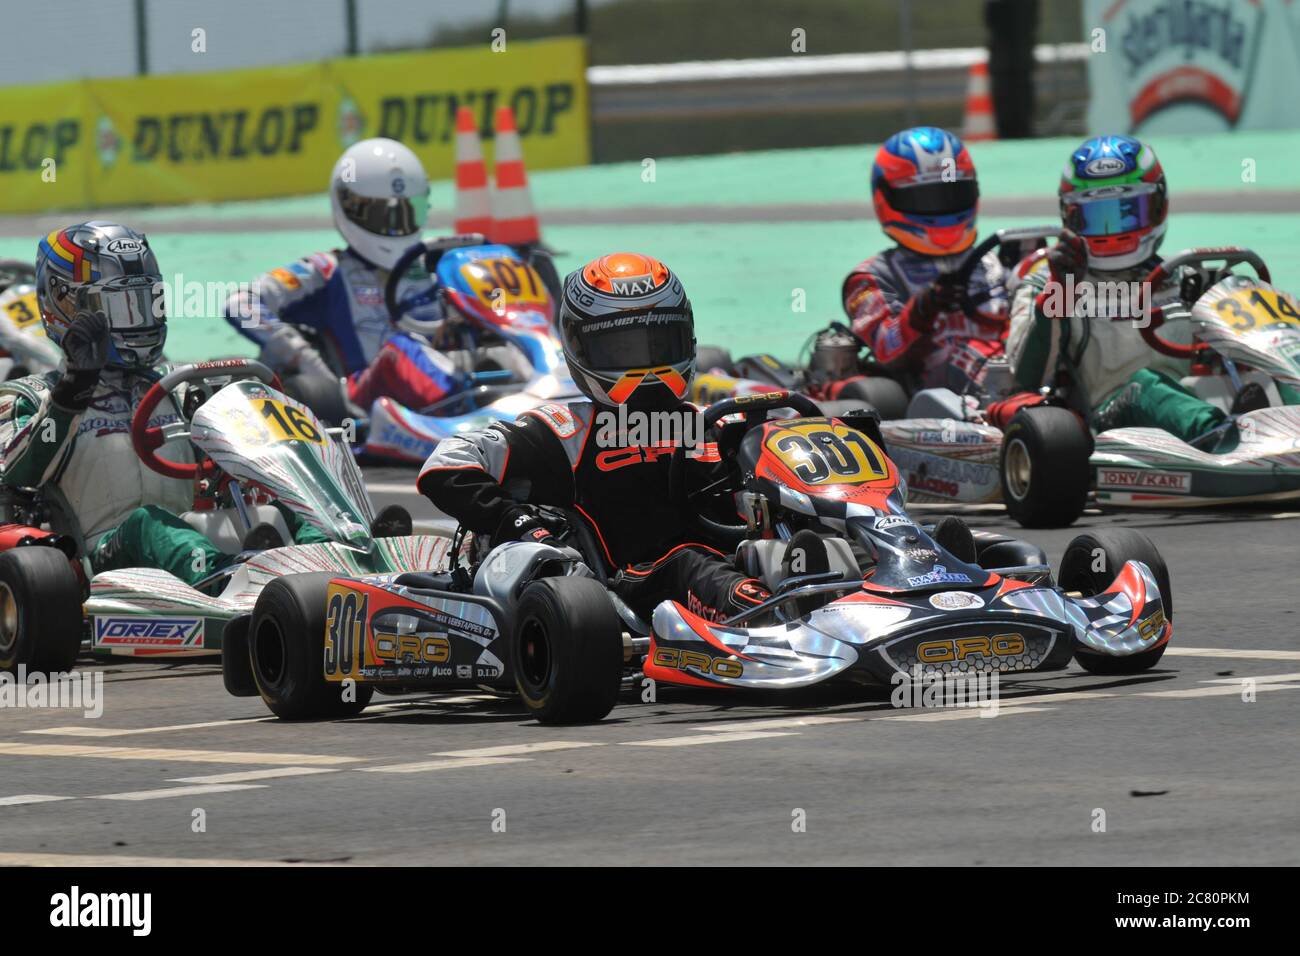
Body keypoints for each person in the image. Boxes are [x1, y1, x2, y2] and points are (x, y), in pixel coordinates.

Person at [417, 252, 774, 623]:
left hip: (738, 564)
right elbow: (446, 465)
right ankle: (767, 615)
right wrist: (517, 521)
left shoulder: (714, 425)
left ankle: (813, 593)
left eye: (660, 344)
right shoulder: (563, 431)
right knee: (689, 563)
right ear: (580, 347)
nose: (648, 366)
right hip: (631, 585)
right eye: (625, 349)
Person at [0, 221, 324, 589]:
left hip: (188, 539)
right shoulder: (31, 395)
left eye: (144, 302)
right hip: (99, 560)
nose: (138, 320)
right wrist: (73, 390)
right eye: (119, 307)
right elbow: (17, 476)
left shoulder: (177, 386)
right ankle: (227, 582)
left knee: (280, 489)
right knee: (148, 523)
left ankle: (330, 555)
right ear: (68, 305)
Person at [1001, 134, 1262, 442]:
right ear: (1070, 217)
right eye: (1097, 218)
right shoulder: (1047, 284)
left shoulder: (1183, 277)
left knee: (1247, 299)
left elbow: (1223, 361)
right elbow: (1026, 378)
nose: (1113, 233)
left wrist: (1218, 302)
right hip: (1104, 425)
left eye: (1127, 212)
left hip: (1193, 404)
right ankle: (1227, 440)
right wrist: (1060, 292)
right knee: (1145, 387)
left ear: (1157, 207)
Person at [223, 137, 467, 412]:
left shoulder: (435, 262)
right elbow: (241, 304)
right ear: (349, 207)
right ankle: (465, 403)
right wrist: (305, 361)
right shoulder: (327, 270)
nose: (396, 227)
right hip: (366, 402)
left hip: (449, 377)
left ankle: (507, 399)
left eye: (408, 212)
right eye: (381, 215)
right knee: (403, 350)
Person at [842, 126, 1009, 392]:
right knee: (965, 357)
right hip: (933, 396)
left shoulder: (994, 263)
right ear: (887, 198)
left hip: (1009, 370)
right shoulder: (870, 278)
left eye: (952, 195)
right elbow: (887, 350)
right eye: (926, 198)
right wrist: (922, 308)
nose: (941, 208)